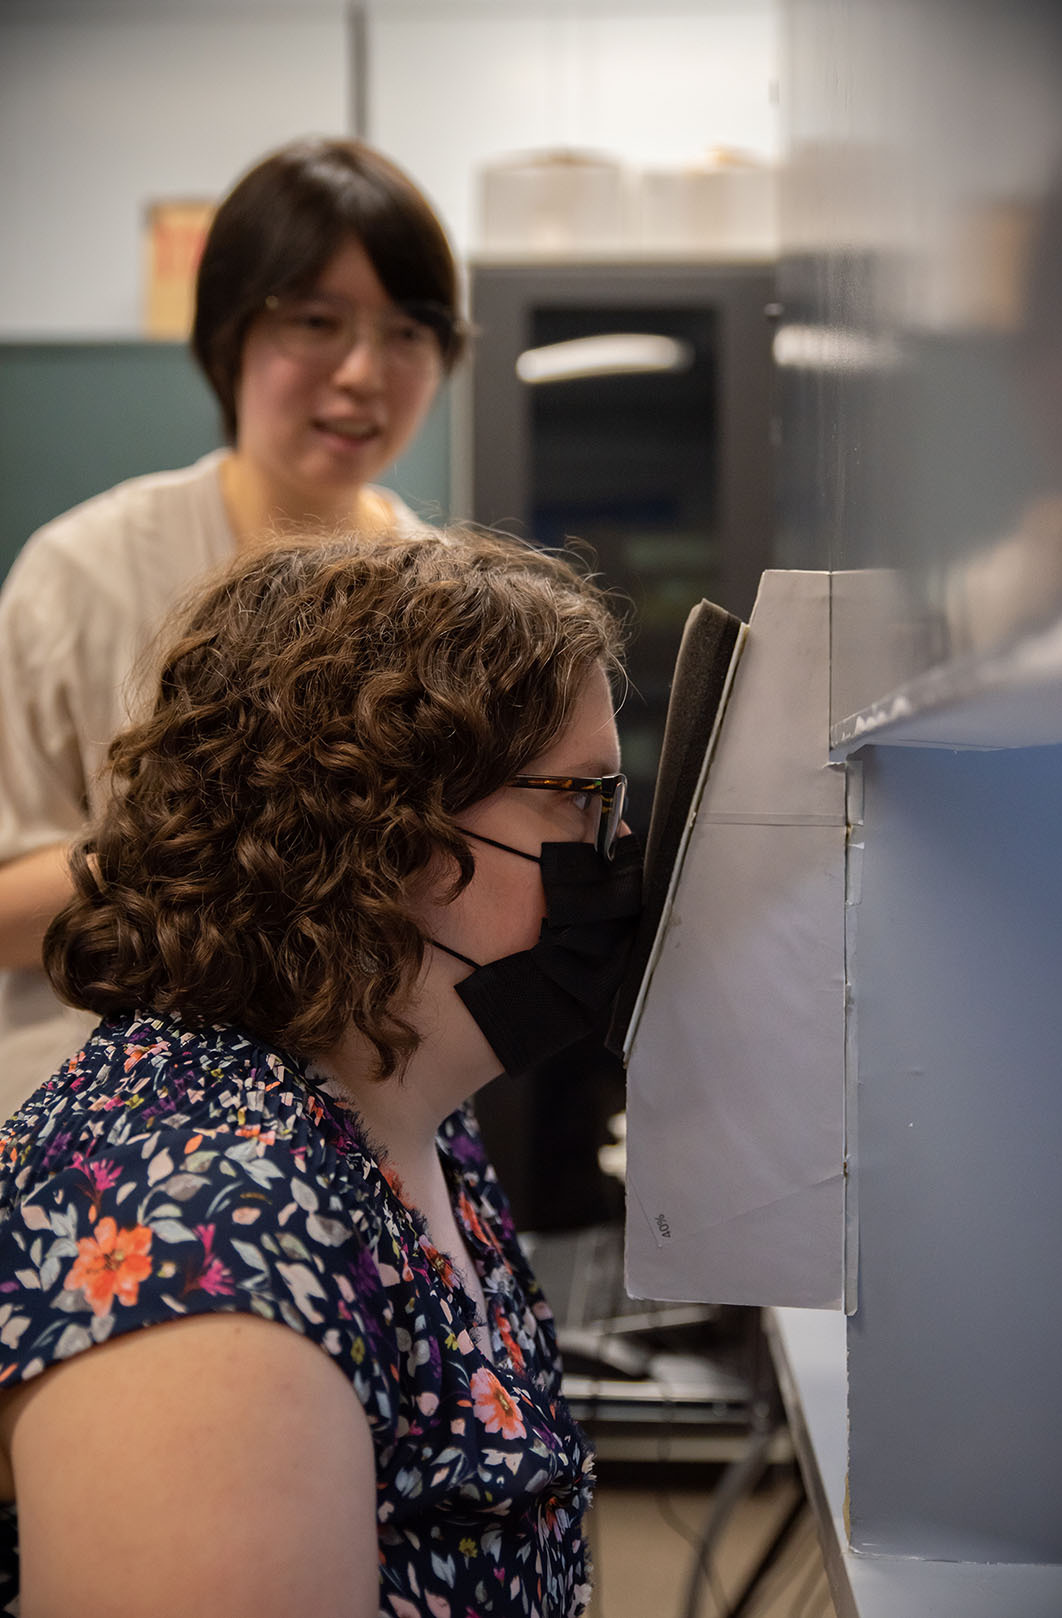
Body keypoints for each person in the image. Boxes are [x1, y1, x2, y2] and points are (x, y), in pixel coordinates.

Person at [0, 526, 642, 1618]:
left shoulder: (400, 1107)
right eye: (579, 796)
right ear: (386, 825)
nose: (613, 849)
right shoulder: (203, 1246)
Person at [0, 135, 467, 1112]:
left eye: (409, 332)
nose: (363, 372)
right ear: (229, 335)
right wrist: (218, 843)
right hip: (109, 1133)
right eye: (316, 321)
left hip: (367, 1120)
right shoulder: (82, 573)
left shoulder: (453, 613)